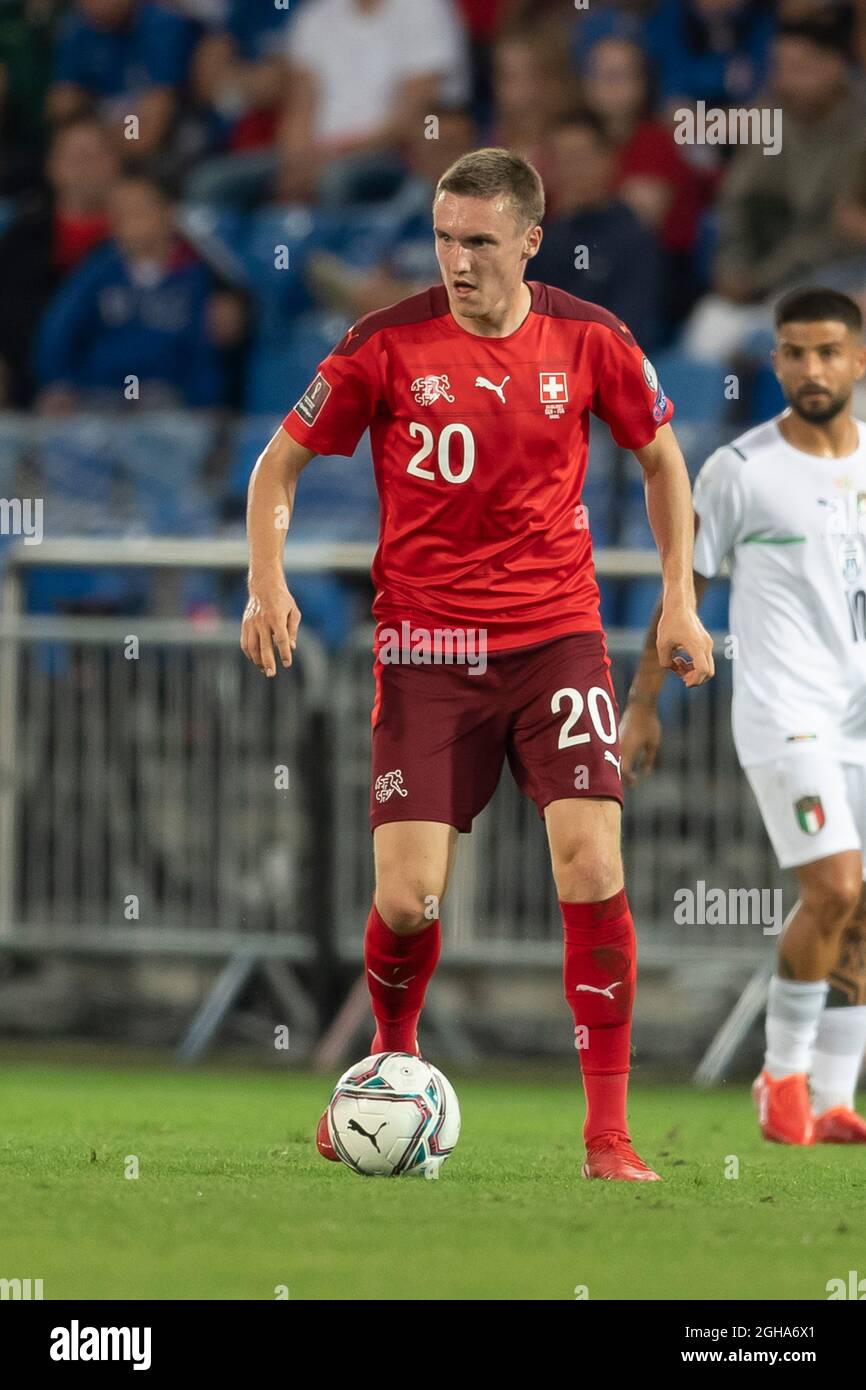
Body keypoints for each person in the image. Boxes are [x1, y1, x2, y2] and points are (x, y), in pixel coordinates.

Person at [241, 147, 714, 1182]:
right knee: (408, 898)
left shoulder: (589, 339)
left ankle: (606, 1135)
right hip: (424, 650)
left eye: (479, 242)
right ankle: (389, 1060)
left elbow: (660, 458)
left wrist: (678, 597)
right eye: (444, 239)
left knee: (589, 862)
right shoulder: (384, 344)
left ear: (529, 241)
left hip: (556, 640)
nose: (456, 261)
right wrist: (264, 579)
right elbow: (277, 461)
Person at [621, 287, 866, 1145]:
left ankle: (836, 1096)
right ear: (776, 364)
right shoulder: (743, 470)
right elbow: (682, 592)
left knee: (861, 907)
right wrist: (643, 702)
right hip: (782, 712)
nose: (811, 368)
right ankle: (782, 1073)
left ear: (859, 361)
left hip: (860, 720)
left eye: (829, 351)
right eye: (795, 353)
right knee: (832, 886)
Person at [35, 170, 227, 410]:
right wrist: (60, 381)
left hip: (165, 395)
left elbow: (201, 351)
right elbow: (59, 329)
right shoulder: (99, 271)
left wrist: (206, 402)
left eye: (140, 211)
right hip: (98, 391)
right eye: (121, 214)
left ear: (168, 213)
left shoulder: (191, 277)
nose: (132, 223)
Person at [0, 112, 118, 407]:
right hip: (29, 388)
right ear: (52, 167)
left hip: (122, 389)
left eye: (94, 156)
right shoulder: (21, 238)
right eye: (75, 158)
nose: (85, 168)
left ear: (114, 163)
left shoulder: (144, 231)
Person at [531, 111, 663, 350]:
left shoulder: (632, 239)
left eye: (581, 158)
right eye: (562, 160)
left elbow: (629, 330)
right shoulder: (538, 241)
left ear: (609, 160)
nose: (573, 171)